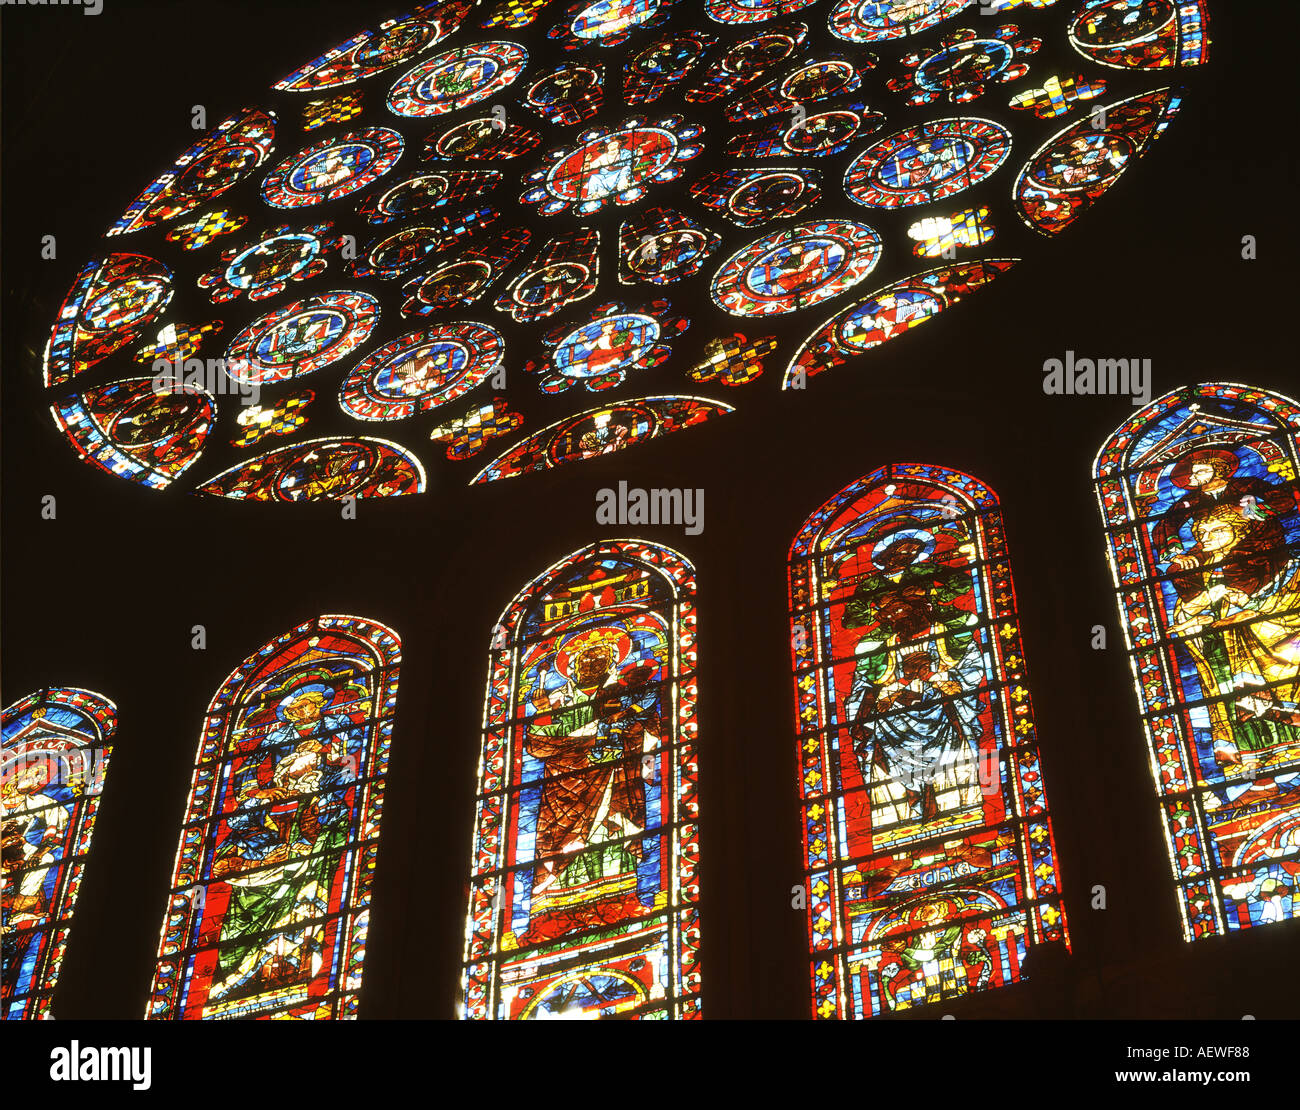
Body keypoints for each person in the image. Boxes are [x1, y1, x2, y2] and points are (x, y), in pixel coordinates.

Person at [843, 534, 985, 833]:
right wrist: (895, 690)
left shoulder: (949, 634)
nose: (898, 613)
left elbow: (970, 674)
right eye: (891, 612)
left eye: (906, 606)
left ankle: (965, 834)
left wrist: (932, 677)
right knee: (883, 766)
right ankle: (898, 843)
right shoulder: (881, 648)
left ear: (924, 604)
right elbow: (864, 691)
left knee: (956, 766)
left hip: (945, 720)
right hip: (895, 725)